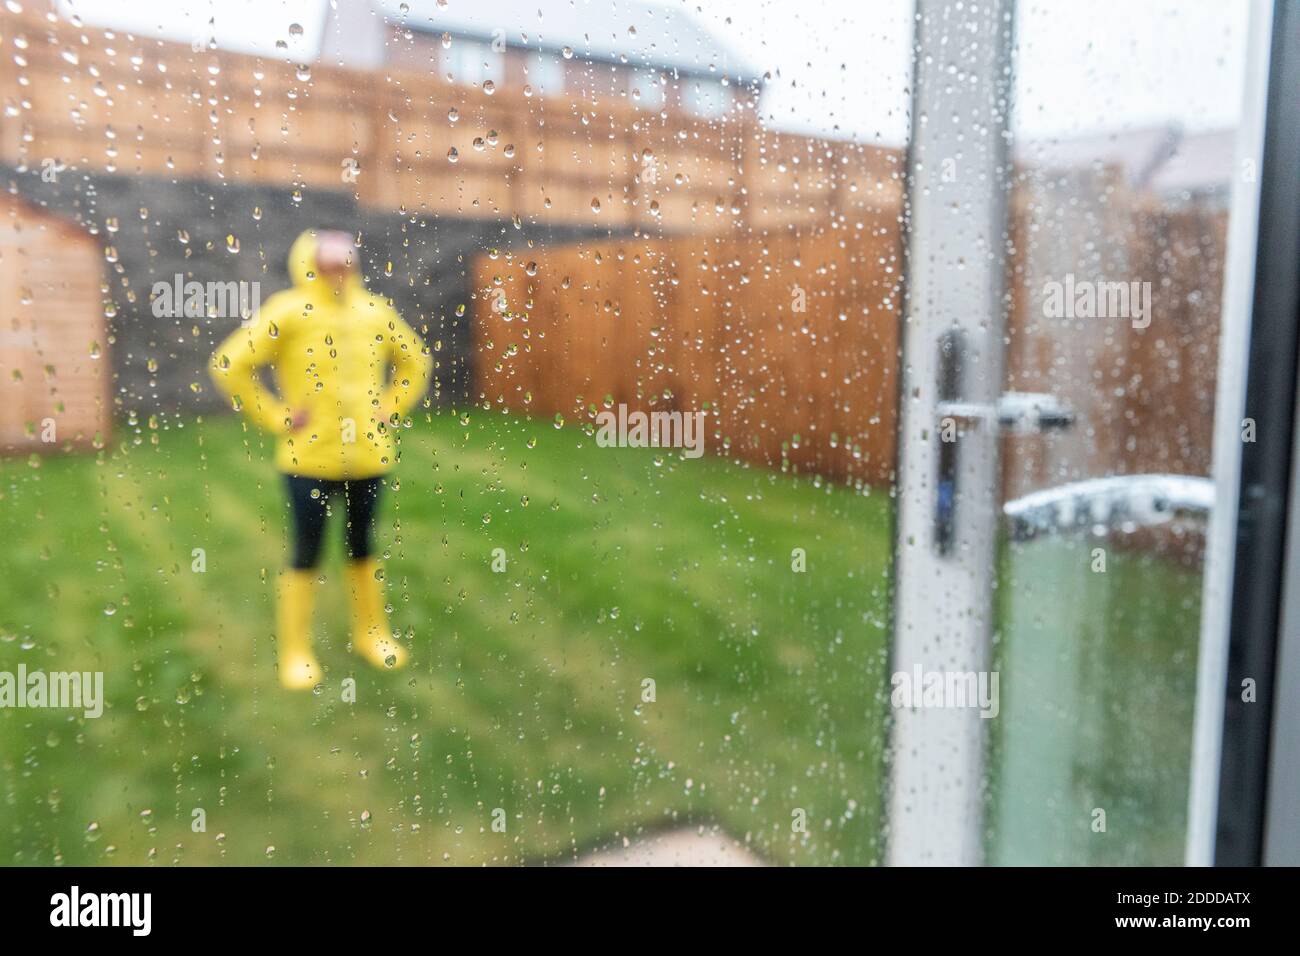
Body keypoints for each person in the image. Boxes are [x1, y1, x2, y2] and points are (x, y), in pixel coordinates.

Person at [210, 229, 431, 689]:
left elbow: (415, 361)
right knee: (306, 551)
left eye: (344, 260)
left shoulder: (375, 310)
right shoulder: (287, 311)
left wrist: (389, 408)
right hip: (307, 459)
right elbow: (230, 364)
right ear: (309, 262)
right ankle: (296, 650)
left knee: (363, 545)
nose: (338, 269)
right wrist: (275, 415)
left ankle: (372, 635)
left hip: (368, 456)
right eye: (328, 261)